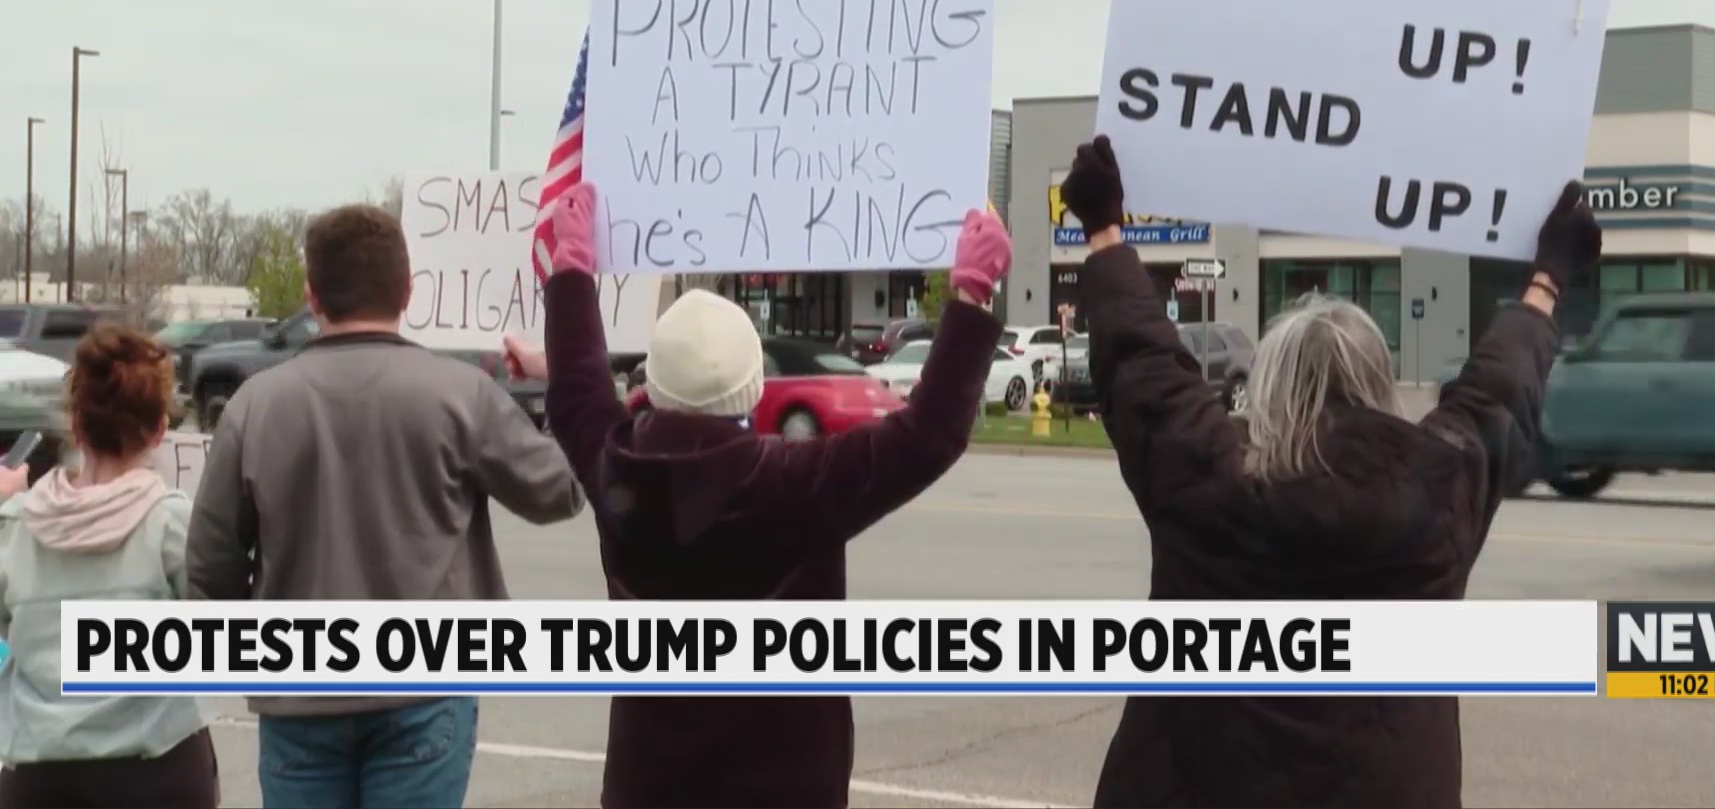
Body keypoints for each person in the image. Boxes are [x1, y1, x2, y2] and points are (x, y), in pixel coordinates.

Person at [1058, 136, 1601, 809]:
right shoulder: (1439, 491)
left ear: (1266, 392)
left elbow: (1143, 366)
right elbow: (1499, 393)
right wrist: (1547, 279)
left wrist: (1105, 231)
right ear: (1379, 383)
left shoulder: (1206, 483)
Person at [502, 183, 1012, 809]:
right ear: (753, 389)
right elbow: (929, 432)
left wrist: (571, 271)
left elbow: (578, 386)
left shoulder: (616, 468)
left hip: (648, 786)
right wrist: (970, 295)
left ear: (652, 386)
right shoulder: (794, 483)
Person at [187, 204, 587, 809]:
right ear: (407, 291)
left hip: (299, 689)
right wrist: (568, 387)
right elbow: (559, 492)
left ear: (311, 296)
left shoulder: (253, 405)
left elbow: (211, 564)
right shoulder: (461, 394)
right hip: (425, 690)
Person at [0, 324, 219, 808]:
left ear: (75, 425)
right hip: (155, 769)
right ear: (160, 429)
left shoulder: (14, 526)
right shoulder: (171, 523)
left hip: (40, 776)